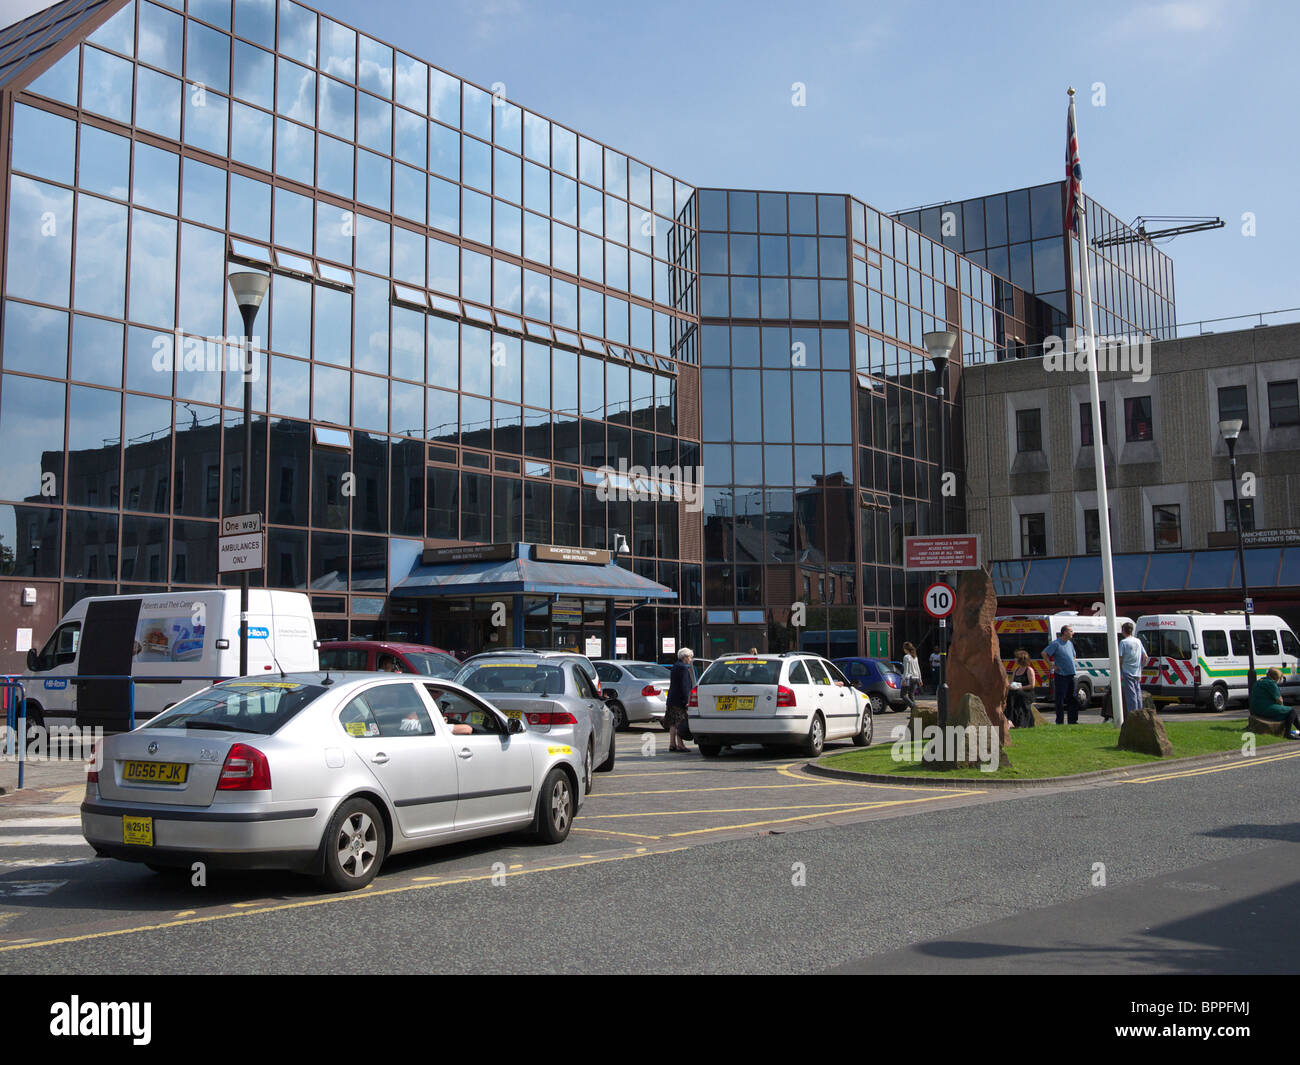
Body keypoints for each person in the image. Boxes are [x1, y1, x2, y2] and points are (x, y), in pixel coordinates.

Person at [1043, 625, 1078, 724]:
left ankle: (1073, 720)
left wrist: (1070, 662)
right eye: (1071, 631)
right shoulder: (1056, 643)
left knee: (1073, 698)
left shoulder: (1070, 643)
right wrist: (1051, 665)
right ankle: (1060, 721)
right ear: (1065, 632)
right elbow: (1044, 653)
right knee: (1060, 699)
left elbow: (1074, 655)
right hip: (1061, 675)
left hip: (1071, 674)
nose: (1073, 633)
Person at [1250, 667, 1300, 739]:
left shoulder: (1259, 681)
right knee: (1291, 711)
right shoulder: (1271, 684)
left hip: (1255, 709)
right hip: (1265, 708)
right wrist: (1282, 709)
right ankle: (1287, 733)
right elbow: (1279, 700)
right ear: (1276, 677)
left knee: (1288, 711)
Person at [1116, 622, 1149, 721]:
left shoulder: (1123, 642)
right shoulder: (1138, 641)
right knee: (1137, 692)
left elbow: (1120, 658)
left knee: (1131, 695)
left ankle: (1133, 715)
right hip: (1137, 671)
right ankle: (1140, 712)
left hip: (1127, 671)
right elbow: (1145, 657)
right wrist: (1141, 668)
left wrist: (1119, 670)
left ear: (1123, 630)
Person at [665, 647, 695, 753]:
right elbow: (685, 686)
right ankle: (680, 745)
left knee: (673, 723)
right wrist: (687, 700)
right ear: (685, 657)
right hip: (679, 700)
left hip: (672, 699)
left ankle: (672, 744)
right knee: (680, 723)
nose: (691, 660)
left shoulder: (675, 666)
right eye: (690, 657)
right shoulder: (683, 668)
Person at [1006, 649, 1036, 729]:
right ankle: (1010, 720)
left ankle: (1012, 720)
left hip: (1027, 692)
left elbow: (1032, 685)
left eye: (1016, 658)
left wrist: (1020, 687)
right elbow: (1011, 682)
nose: (1014, 659)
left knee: (1016, 694)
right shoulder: (1016, 670)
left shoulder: (1029, 670)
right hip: (1016, 692)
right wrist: (1010, 686)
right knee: (1010, 694)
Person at [901, 642, 921, 713]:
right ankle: (914, 713)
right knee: (911, 694)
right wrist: (920, 679)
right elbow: (918, 668)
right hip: (916, 677)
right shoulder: (915, 657)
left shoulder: (906, 657)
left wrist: (903, 680)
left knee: (903, 695)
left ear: (906, 649)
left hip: (909, 678)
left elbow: (906, 670)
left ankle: (914, 707)